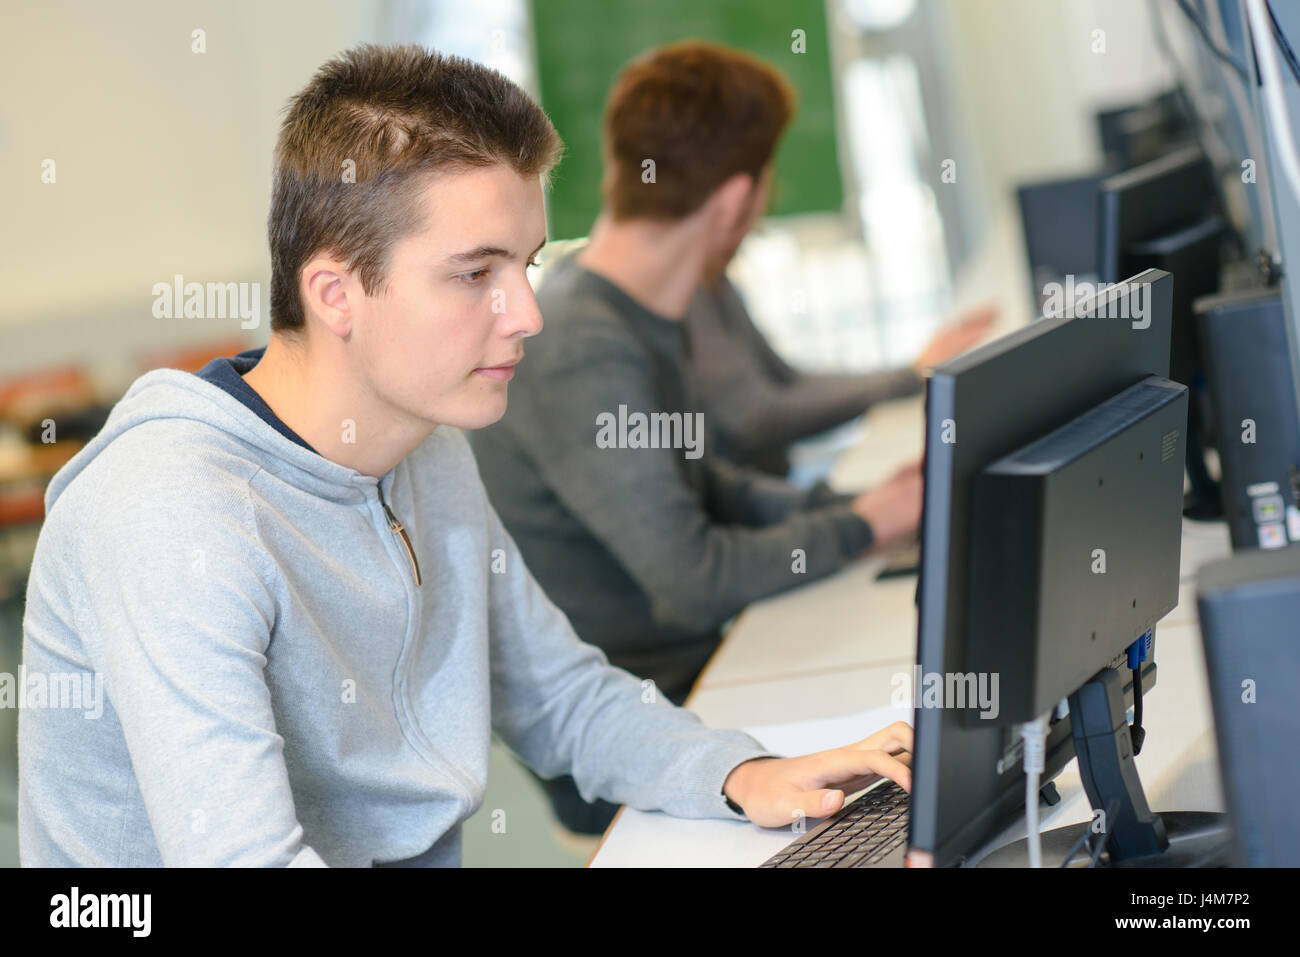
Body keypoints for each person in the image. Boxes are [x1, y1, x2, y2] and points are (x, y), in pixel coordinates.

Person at [18, 44, 914, 867]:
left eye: (525, 264)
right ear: (336, 291)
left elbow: (559, 695)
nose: (526, 313)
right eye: (475, 273)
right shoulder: (172, 513)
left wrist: (739, 773)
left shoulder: (426, 448)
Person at [470, 41, 982, 835]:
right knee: (926, 717)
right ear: (736, 199)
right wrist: (862, 526)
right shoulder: (584, 343)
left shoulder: (634, 309)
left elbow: (710, 483)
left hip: (706, 669)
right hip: (653, 724)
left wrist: (861, 505)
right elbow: (692, 577)